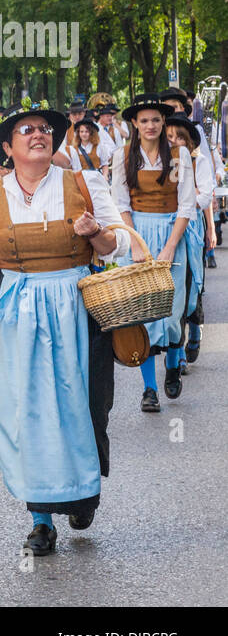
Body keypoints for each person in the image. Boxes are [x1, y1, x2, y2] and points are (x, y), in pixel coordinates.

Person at [0, 104, 128, 557]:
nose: (38, 135)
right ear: (7, 147)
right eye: (26, 130)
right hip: (18, 311)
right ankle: (40, 518)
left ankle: (82, 493)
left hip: (77, 307)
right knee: (25, 411)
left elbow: (117, 244)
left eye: (44, 130)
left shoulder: (84, 182)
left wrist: (95, 233)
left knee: (86, 405)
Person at [110, 94, 196, 412]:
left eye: (156, 120)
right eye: (144, 120)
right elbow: (120, 203)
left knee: (172, 314)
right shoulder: (123, 156)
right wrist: (134, 242)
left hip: (172, 232)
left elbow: (187, 204)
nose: (150, 125)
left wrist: (171, 245)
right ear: (134, 123)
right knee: (143, 315)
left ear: (164, 123)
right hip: (138, 234)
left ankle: (173, 363)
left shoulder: (179, 155)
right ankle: (149, 389)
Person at [166, 114, 212, 371]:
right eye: (170, 137)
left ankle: (194, 331)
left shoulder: (199, 160)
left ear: (189, 140)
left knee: (193, 284)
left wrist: (187, 199)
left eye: (179, 137)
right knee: (174, 294)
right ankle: (177, 350)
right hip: (168, 228)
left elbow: (204, 195)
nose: (174, 141)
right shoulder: (163, 161)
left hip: (191, 228)